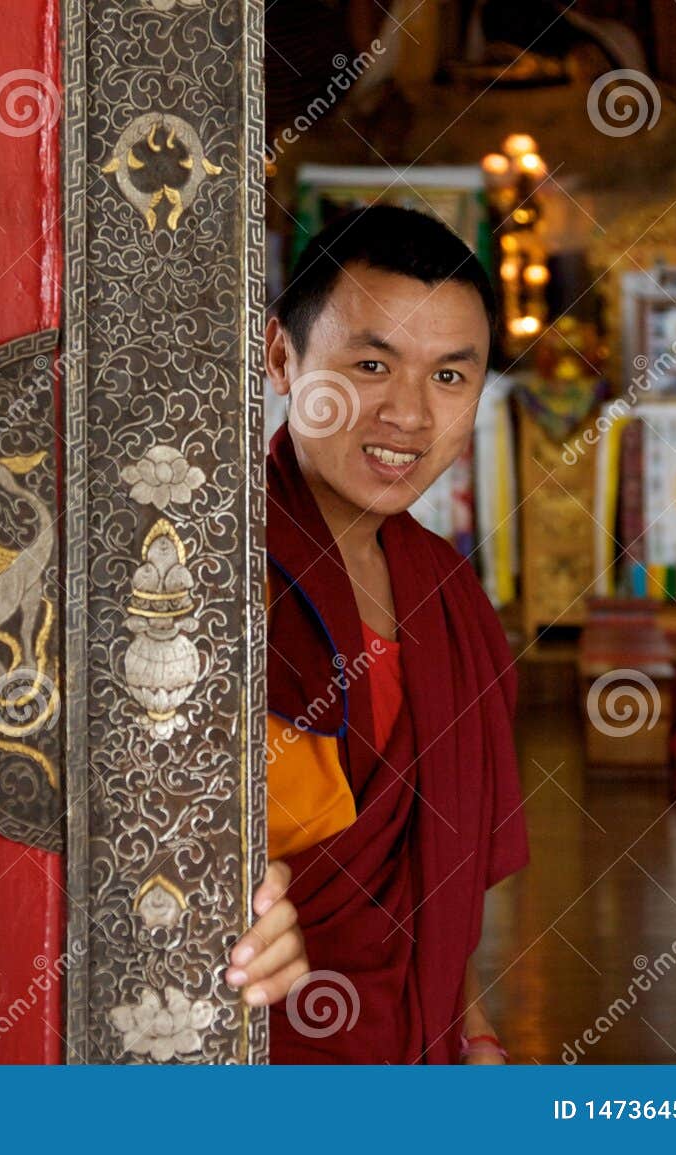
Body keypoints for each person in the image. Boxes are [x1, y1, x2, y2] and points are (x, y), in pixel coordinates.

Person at [257, 204, 529, 1064]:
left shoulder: (449, 597)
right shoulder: (199, 579)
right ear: (281, 358)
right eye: (372, 364)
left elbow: (431, 889)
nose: (409, 415)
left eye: (450, 378)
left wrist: (476, 1034)